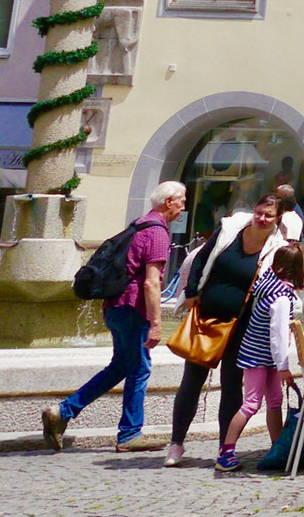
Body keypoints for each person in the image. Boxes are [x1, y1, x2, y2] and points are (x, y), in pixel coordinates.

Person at [43, 180, 186, 451]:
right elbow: (151, 283)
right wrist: (156, 324)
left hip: (115, 307)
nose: (183, 207)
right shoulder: (157, 233)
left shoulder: (138, 225)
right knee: (140, 370)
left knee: (121, 366)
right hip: (134, 309)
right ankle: (130, 434)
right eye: (182, 201)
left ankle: (63, 412)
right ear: (169, 202)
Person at [164, 193, 286, 467]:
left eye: (269, 215)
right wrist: (192, 291)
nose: (262, 218)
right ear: (253, 211)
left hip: (241, 327)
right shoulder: (230, 230)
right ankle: (176, 444)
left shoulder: (276, 247)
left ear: (277, 219)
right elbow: (200, 259)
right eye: (259, 212)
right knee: (191, 383)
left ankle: (224, 449)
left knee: (232, 387)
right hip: (206, 319)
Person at [216, 245, 304, 471]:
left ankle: (276, 449)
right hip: (261, 356)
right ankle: (226, 451)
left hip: (259, 352)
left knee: (275, 401)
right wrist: (284, 366)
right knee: (252, 403)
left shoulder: (267, 283)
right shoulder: (282, 297)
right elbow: (278, 333)